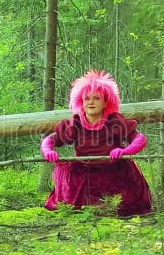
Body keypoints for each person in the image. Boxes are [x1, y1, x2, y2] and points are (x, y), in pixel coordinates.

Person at [40, 70, 153, 216]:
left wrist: (125, 151)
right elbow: (50, 140)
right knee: (67, 177)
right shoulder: (76, 124)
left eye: (96, 98)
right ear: (81, 101)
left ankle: (111, 208)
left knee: (124, 197)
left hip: (114, 171)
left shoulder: (115, 122)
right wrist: (48, 151)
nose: (91, 102)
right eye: (87, 98)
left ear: (106, 101)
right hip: (84, 173)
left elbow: (140, 139)